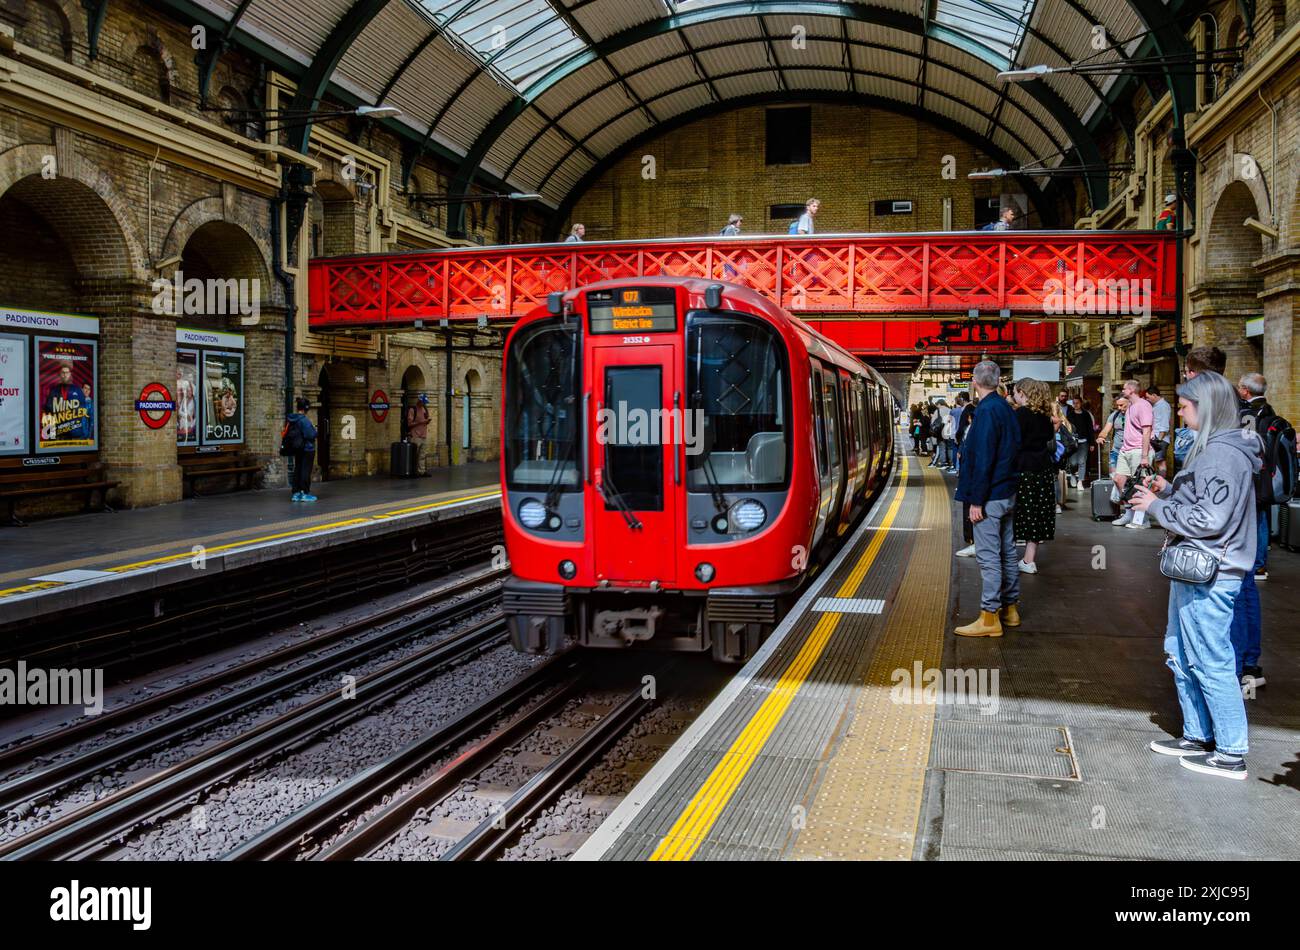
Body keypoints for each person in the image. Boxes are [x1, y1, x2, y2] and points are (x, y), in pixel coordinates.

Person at [1128, 371, 1262, 780]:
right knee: (1182, 651)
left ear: (1206, 407)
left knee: (1210, 657)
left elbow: (1208, 518)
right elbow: (1202, 501)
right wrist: (1167, 490)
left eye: (1185, 405)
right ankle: (1198, 733)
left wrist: (1155, 507)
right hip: (1198, 567)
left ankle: (1230, 751)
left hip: (1212, 570)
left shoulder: (1222, 455)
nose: (1179, 411)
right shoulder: (1217, 450)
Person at [953, 360, 1021, 637]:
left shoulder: (986, 411)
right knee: (1007, 552)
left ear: (974, 381)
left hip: (990, 496)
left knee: (989, 557)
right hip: (1007, 492)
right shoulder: (1005, 408)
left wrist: (976, 501)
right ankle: (1010, 609)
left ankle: (989, 617)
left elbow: (983, 459)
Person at [1232, 372, 1272, 688]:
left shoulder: (1246, 418)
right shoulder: (1269, 414)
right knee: (1247, 589)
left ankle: (1244, 663)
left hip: (1243, 503)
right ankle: (1249, 663)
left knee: (1242, 590)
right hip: (1257, 495)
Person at [1011, 379, 1056, 575]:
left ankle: (1007, 556)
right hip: (1043, 468)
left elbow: (1013, 441)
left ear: (1022, 392)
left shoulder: (1021, 414)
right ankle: (1029, 560)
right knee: (1037, 513)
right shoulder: (1044, 415)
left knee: (1018, 512)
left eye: (1014, 392)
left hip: (1024, 468)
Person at [1111, 379, 1154, 528]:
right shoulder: (1130, 406)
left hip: (1138, 450)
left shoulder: (1143, 405)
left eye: (1124, 389)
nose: (1122, 391)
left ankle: (1143, 519)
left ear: (1131, 390)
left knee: (1141, 485)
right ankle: (1129, 513)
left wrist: (1144, 455)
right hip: (1126, 449)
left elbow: (1147, 430)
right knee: (1118, 480)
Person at [285, 396, 318, 503]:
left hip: (297, 448)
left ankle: (296, 493)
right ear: (305, 409)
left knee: (298, 469)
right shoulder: (304, 420)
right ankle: (304, 493)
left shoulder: (292, 419)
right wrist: (315, 430)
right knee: (305, 471)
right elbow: (310, 434)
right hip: (307, 449)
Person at [1066, 395, 1095, 488]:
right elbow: (1067, 428)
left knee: (1082, 461)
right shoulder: (1070, 414)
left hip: (1084, 441)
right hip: (1073, 442)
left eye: (1077, 403)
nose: (1075, 405)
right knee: (1073, 462)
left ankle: (1080, 482)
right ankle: (1073, 475)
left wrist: (1092, 443)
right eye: (1074, 403)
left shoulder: (1086, 414)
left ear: (1081, 403)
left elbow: (1090, 429)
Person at [1095, 395, 1127, 478]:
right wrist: (1101, 437)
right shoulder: (1115, 415)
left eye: (1122, 405)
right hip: (1116, 450)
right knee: (1114, 476)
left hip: (1130, 451)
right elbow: (1106, 429)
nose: (1119, 408)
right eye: (1118, 406)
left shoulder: (1135, 415)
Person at [1147, 384, 1172, 476]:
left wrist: (1159, 440)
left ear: (1154, 395)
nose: (1147, 399)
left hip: (1160, 439)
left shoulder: (1163, 406)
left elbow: (1164, 425)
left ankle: (1162, 484)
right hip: (1155, 438)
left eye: (1148, 397)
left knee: (1160, 463)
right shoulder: (1156, 406)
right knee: (1156, 462)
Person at [406, 393, 432, 476]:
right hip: (415, 436)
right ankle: (412, 471)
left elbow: (424, 421)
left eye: (425, 402)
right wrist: (421, 422)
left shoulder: (424, 409)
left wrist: (426, 421)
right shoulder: (412, 410)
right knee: (414, 455)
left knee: (422, 455)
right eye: (423, 402)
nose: (424, 404)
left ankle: (421, 471)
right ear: (419, 400)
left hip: (423, 436)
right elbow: (409, 424)